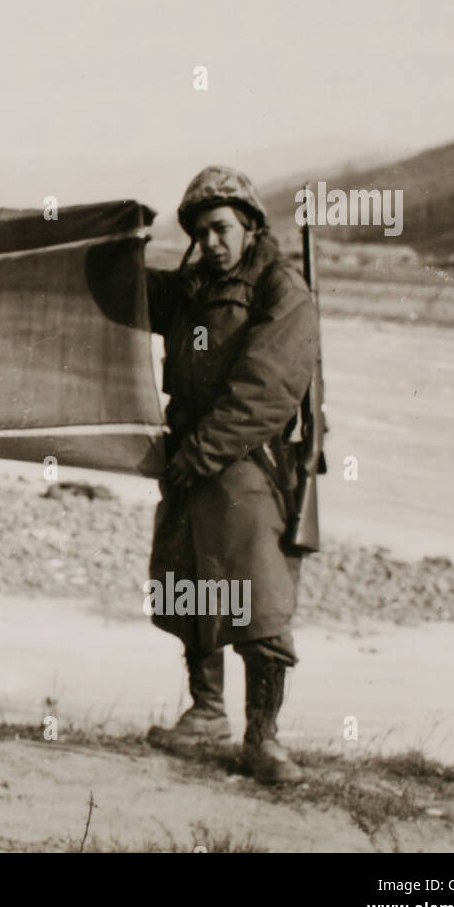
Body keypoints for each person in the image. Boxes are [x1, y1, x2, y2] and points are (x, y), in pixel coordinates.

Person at [143, 166, 318, 784]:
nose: (212, 242)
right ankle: (207, 711)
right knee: (189, 581)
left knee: (259, 600)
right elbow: (128, 295)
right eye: (201, 232)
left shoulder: (281, 289)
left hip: (248, 463)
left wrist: (200, 454)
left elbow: (266, 391)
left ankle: (262, 738)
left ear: (247, 225)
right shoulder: (191, 290)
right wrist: (110, 244)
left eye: (221, 228)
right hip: (190, 456)